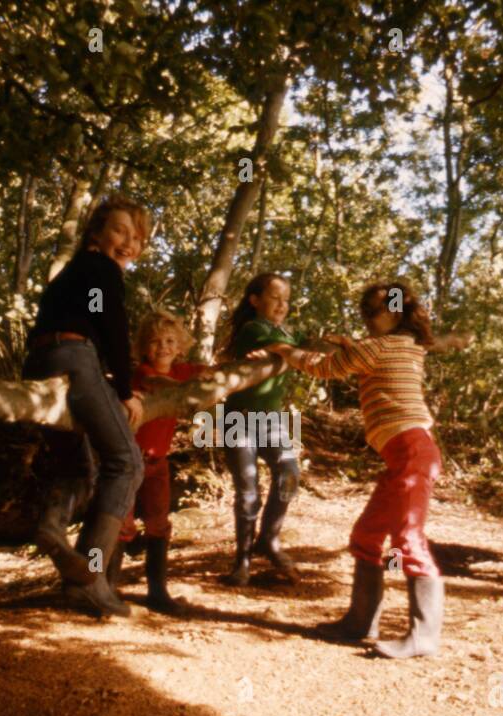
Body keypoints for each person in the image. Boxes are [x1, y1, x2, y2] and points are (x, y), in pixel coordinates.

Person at [261, 282, 444, 658]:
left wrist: (283, 349)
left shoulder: (375, 348)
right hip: (406, 455)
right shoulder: (407, 345)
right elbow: (368, 355)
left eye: (372, 312)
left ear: (393, 313)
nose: (366, 318)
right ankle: (360, 622)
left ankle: (424, 636)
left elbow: (323, 367)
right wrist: (350, 343)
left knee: (407, 539)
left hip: (412, 452)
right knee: (367, 534)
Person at [22, 195, 147, 617]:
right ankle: (91, 582)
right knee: (127, 461)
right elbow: (112, 325)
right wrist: (127, 390)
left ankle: (51, 528)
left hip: (41, 362)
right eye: (118, 231)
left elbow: (84, 319)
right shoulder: (102, 268)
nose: (128, 242)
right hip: (75, 359)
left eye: (137, 237)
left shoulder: (73, 274)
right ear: (96, 233)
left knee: (79, 468)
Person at [114, 310, 210, 611]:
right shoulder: (140, 373)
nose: (163, 347)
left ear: (180, 346)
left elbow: (214, 370)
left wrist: (213, 374)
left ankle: (158, 591)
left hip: (159, 461)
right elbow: (157, 381)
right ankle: (104, 586)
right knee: (121, 523)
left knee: (159, 523)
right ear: (144, 347)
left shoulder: (183, 372)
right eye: (155, 342)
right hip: (130, 461)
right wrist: (185, 391)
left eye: (170, 341)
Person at [218, 273, 301, 585]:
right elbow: (289, 347)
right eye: (275, 297)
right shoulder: (253, 328)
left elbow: (295, 341)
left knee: (290, 472)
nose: (282, 304)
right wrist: (286, 350)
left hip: (272, 418)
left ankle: (269, 538)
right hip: (239, 419)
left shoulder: (284, 330)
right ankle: (242, 561)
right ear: (255, 301)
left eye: (286, 299)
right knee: (248, 491)